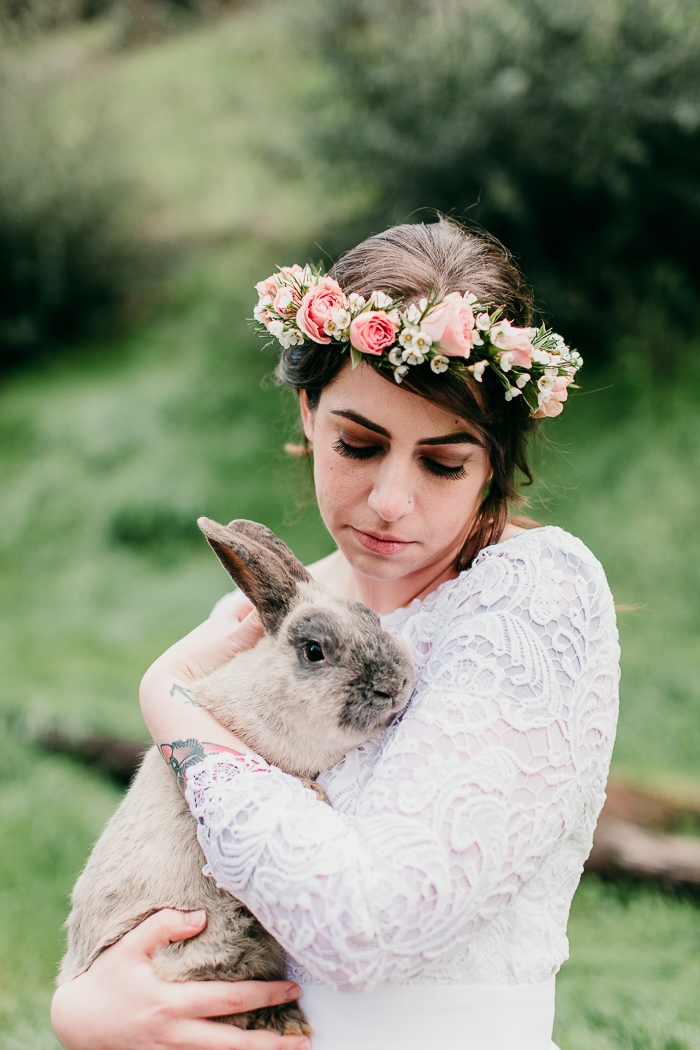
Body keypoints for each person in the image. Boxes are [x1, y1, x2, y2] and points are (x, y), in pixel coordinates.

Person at [51, 219, 619, 1050]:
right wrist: (84, 1010)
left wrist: (166, 703)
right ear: (309, 410)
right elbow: (149, 867)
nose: (391, 499)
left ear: (494, 459)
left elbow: (366, 927)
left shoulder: (533, 598)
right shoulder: (274, 616)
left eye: (443, 462)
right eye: (359, 444)